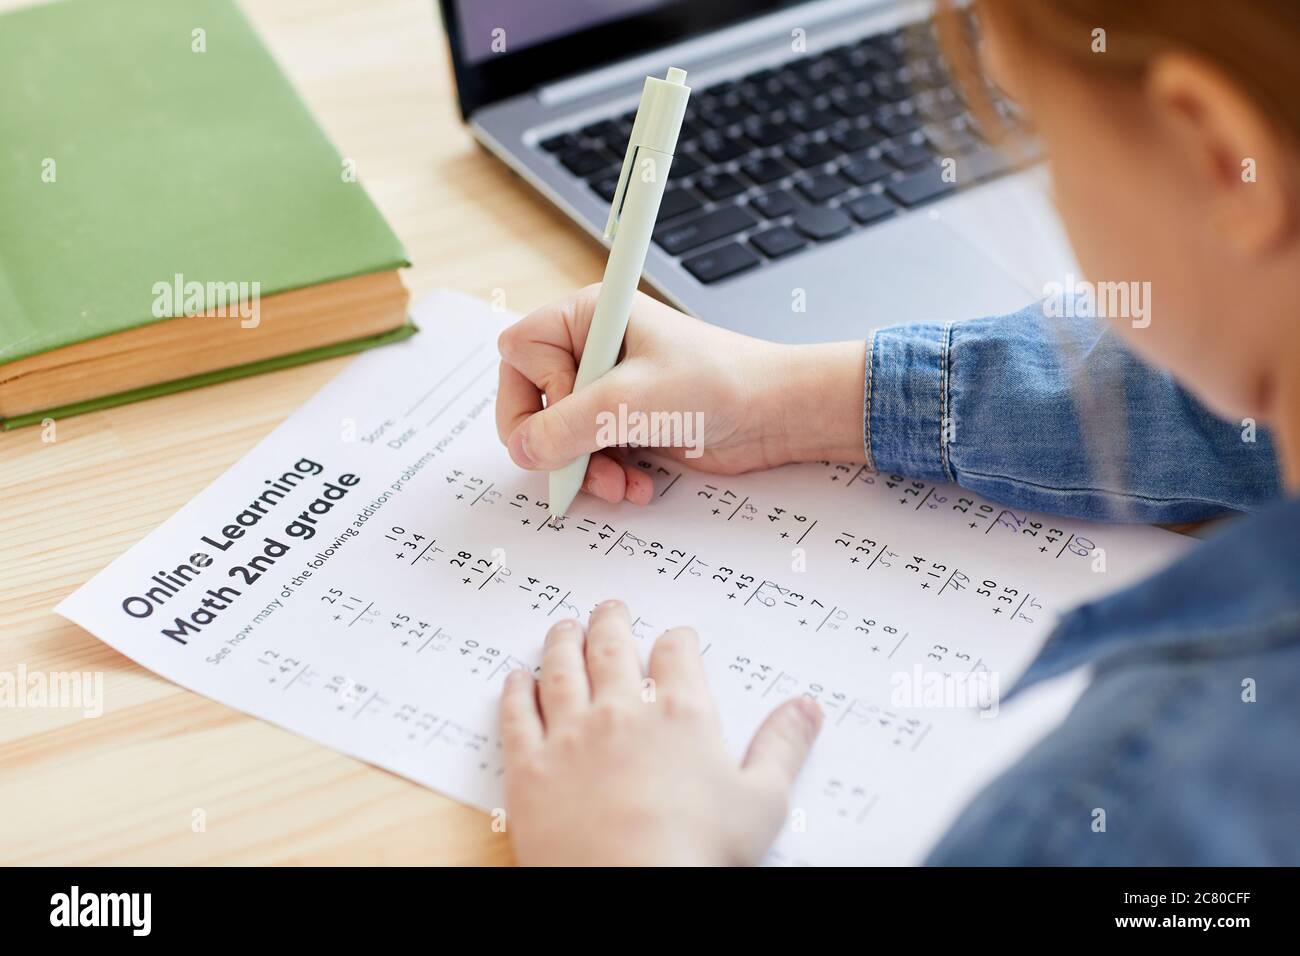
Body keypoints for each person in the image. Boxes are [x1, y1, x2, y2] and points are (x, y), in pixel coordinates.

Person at [490, 0, 1299, 865]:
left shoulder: (1118, 817)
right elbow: (1223, 405)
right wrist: (793, 398)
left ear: (1223, 159)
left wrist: (635, 850)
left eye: (1034, 125)